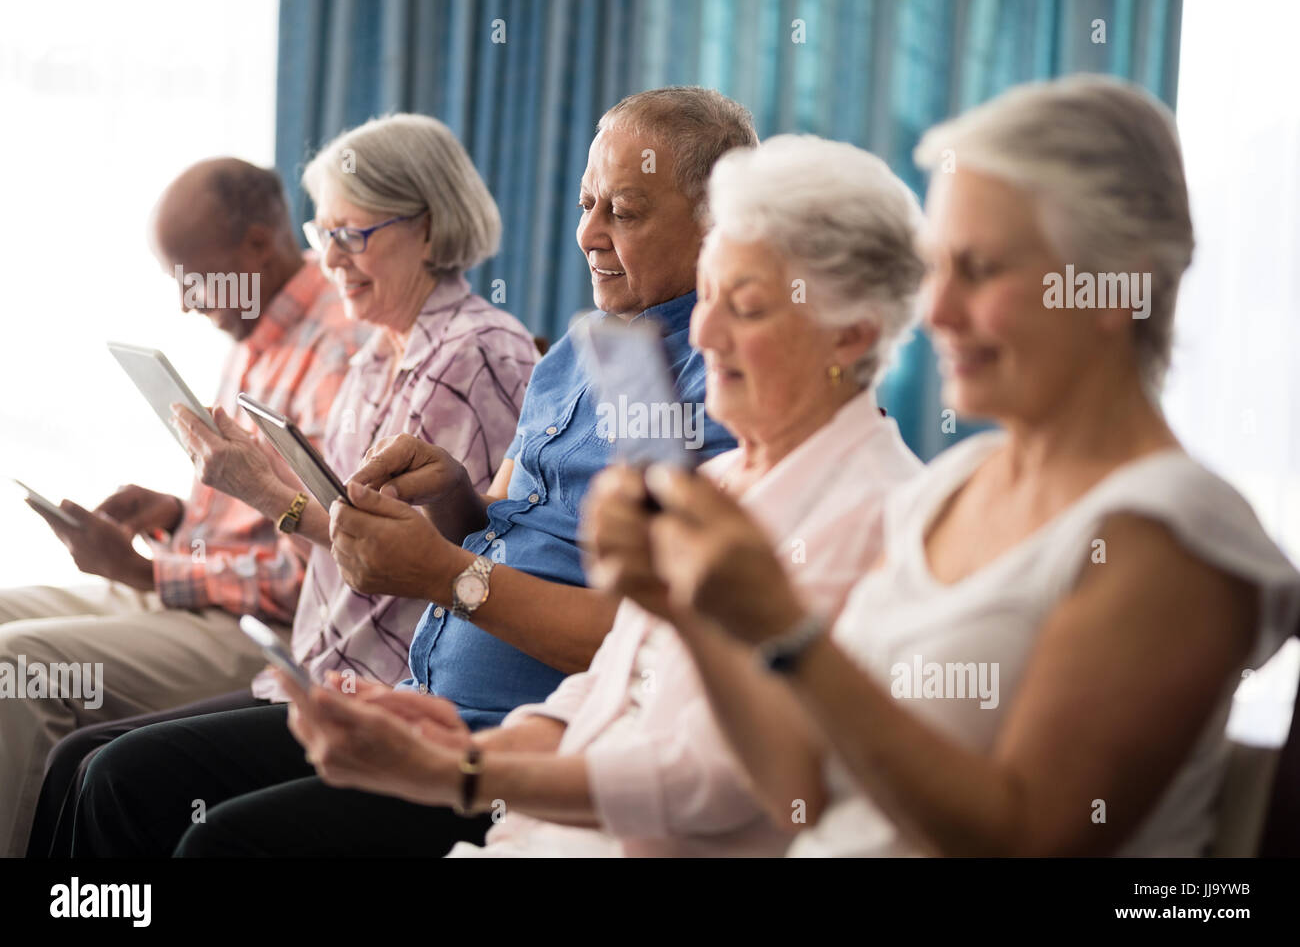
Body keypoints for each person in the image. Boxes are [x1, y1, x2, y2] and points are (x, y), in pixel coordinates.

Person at [590, 75, 1300, 857]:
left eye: (982, 269)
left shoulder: (1170, 533)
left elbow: (1027, 839)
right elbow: (802, 794)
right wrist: (695, 611)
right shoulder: (953, 486)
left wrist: (789, 632)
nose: (934, 312)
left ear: (1111, 288)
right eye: (938, 269)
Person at [72, 86, 750, 857]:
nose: (588, 233)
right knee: (114, 776)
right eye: (587, 203)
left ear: (717, 222)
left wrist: (438, 573)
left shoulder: (721, 389)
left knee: (211, 839)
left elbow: (645, 642)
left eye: (623, 212)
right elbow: (496, 527)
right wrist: (455, 491)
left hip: (505, 742)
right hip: (420, 698)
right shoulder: (577, 353)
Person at [275, 134, 927, 857]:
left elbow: (725, 783)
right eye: (709, 297)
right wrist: (496, 743)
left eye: (743, 307)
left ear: (850, 338)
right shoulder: (715, 478)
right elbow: (613, 673)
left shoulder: (878, 518)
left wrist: (464, 772)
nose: (703, 332)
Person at [28, 115, 538, 856]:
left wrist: (268, 494)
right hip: (320, 668)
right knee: (87, 764)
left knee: (113, 777)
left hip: (393, 689)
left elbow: (428, 567)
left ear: (429, 229)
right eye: (322, 231)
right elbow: (336, 544)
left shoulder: (480, 352)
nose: (327, 259)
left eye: (352, 235)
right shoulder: (376, 356)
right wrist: (234, 499)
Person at [0, 158, 368, 857]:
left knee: (15, 667)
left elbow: (326, 565)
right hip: (193, 588)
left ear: (259, 245)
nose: (186, 302)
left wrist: (147, 576)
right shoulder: (259, 331)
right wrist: (176, 517)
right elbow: (262, 509)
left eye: (192, 277)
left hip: (258, 626)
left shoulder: (338, 353)